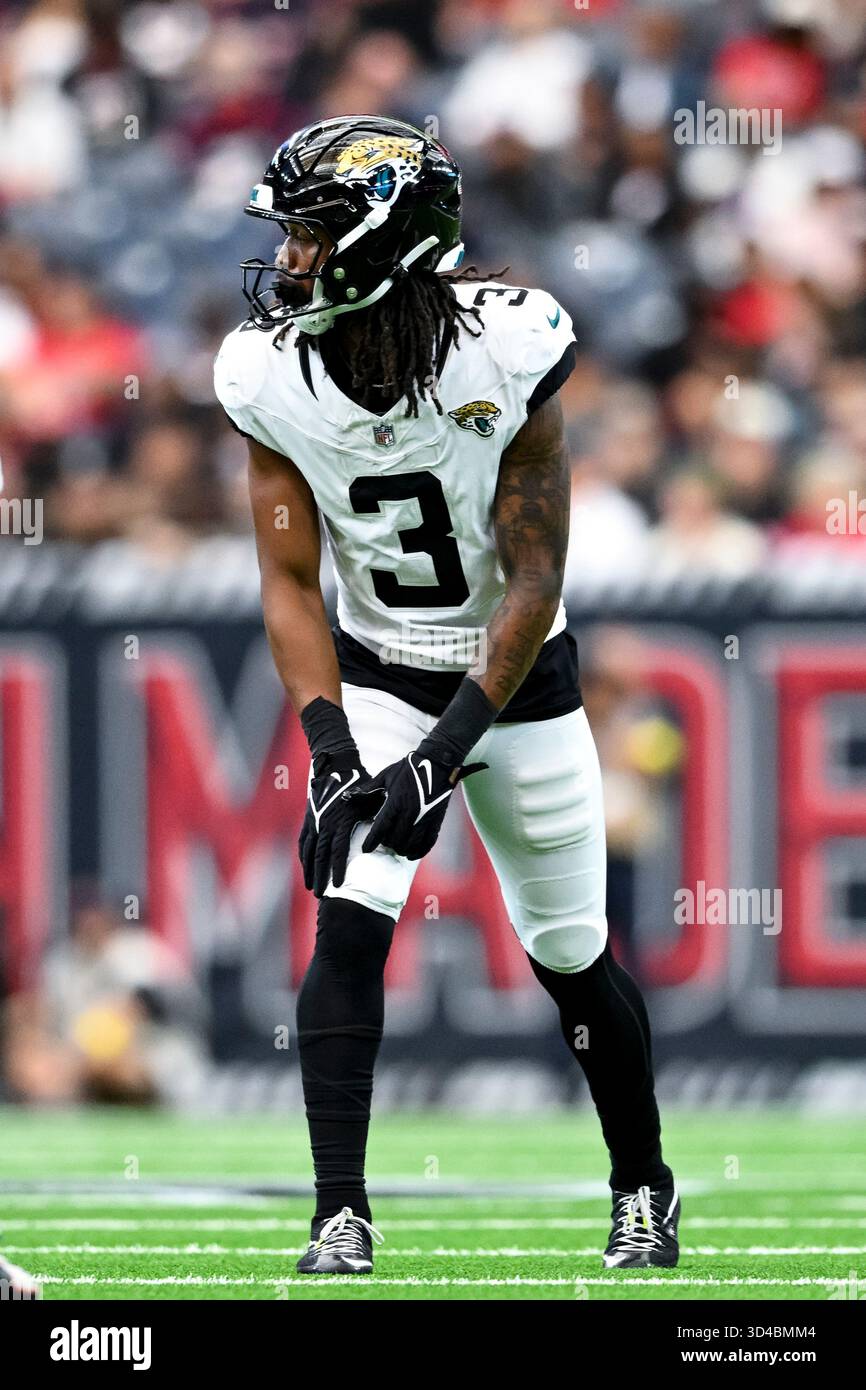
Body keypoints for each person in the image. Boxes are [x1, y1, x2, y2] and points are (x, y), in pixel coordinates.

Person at [214, 115, 679, 1275]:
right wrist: (332, 746)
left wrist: (444, 751)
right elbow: (284, 578)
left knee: (568, 950)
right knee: (349, 908)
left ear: (382, 243)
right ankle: (339, 1209)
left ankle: (642, 1186)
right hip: (375, 667)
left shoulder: (504, 353)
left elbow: (533, 577)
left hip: (516, 680)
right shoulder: (268, 375)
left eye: (313, 237)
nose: (290, 263)